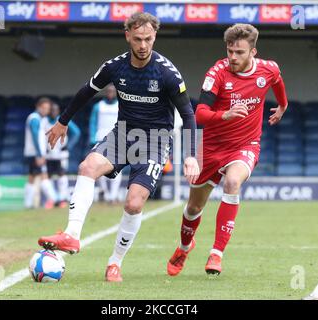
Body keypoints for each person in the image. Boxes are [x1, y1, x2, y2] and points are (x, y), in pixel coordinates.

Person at [38, 12, 199, 282]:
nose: (143, 45)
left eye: (148, 39)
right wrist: (62, 122)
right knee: (87, 166)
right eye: (138, 39)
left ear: (154, 36)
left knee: (134, 204)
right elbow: (86, 91)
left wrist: (192, 155)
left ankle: (115, 263)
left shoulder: (167, 73)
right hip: (122, 135)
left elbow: (189, 114)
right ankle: (72, 236)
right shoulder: (115, 67)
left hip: (155, 141)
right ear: (128, 36)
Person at [167, 23, 288, 276]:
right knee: (193, 208)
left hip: (245, 145)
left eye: (240, 52)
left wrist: (282, 106)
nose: (233, 57)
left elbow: (277, 83)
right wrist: (225, 115)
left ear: (253, 52)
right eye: (230, 50)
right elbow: (200, 114)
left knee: (233, 182)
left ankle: (216, 254)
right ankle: (184, 247)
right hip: (211, 148)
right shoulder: (217, 74)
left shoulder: (269, 69)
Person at [89, 84, 122, 203]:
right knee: (99, 167)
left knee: (117, 168)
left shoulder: (120, 105)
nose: (110, 93)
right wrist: (92, 138)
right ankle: (106, 194)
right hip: (100, 139)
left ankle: (113, 195)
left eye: (112, 92)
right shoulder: (98, 106)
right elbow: (92, 122)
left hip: (117, 139)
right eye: (108, 91)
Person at [24, 97, 58, 209]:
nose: (46, 111)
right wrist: (39, 154)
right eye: (44, 108)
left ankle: (28, 204)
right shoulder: (34, 119)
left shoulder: (39, 119)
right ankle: (54, 200)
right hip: (35, 153)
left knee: (32, 177)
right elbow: (34, 136)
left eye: (47, 109)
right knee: (43, 176)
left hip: (35, 153)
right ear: (38, 107)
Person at [45, 103, 81, 208]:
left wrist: (68, 146)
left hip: (61, 154)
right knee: (49, 176)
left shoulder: (63, 120)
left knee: (62, 175)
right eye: (51, 110)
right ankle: (52, 199)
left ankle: (62, 199)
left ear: (58, 111)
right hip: (49, 154)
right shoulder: (44, 121)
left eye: (55, 110)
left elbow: (77, 132)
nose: (53, 112)